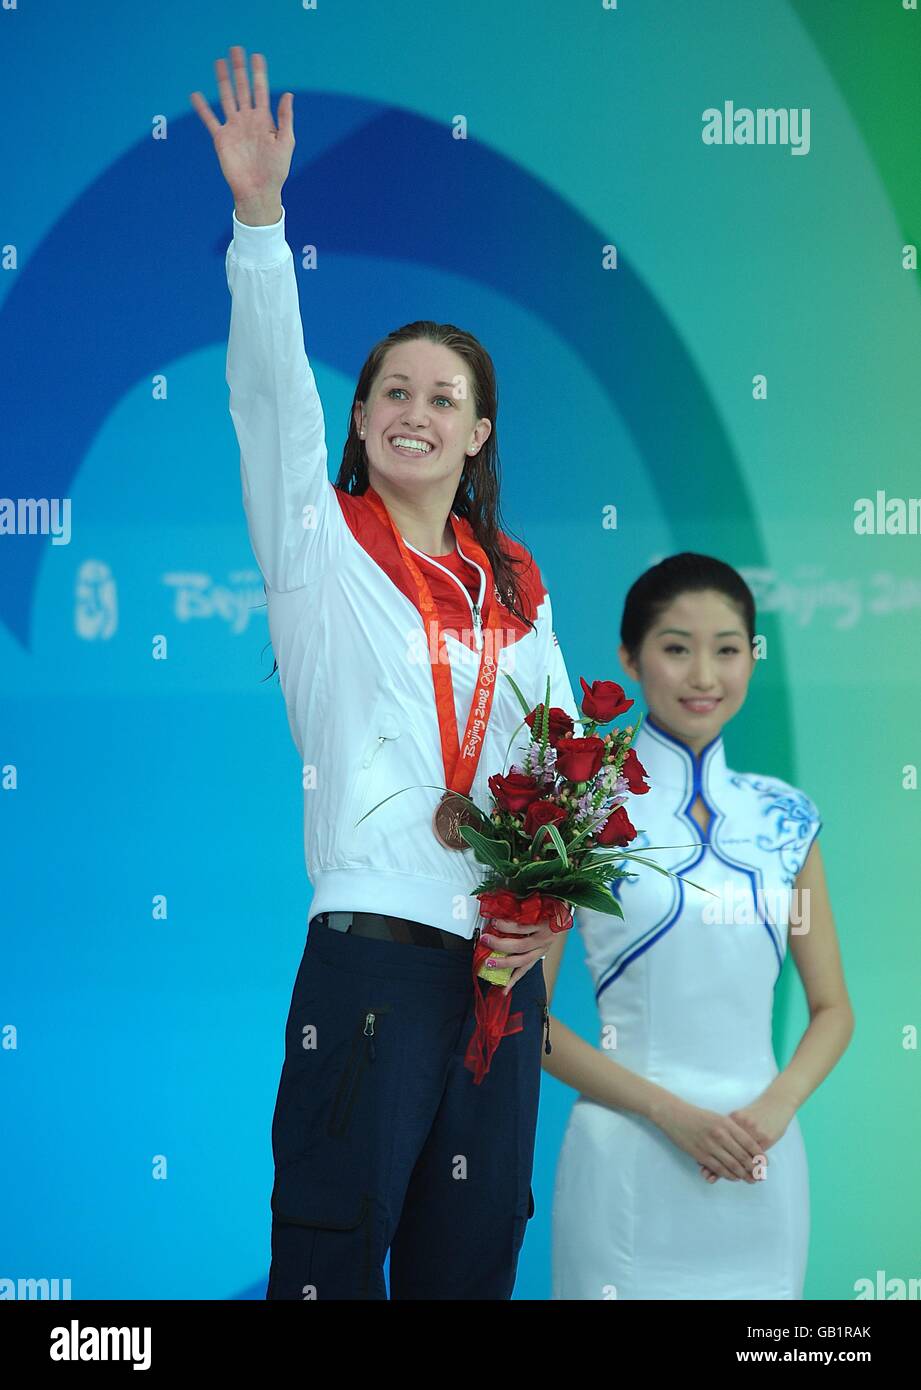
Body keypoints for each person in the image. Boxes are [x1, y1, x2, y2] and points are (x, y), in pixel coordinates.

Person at [190, 46, 580, 1300]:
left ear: (478, 435)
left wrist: (544, 906)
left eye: (444, 396)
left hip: (497, 984)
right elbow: (266, 402)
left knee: (472, 1267)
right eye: (390, 391)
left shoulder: (515, 589)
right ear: (359, 422)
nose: (414, 409)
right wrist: (261, 221)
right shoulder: (316, 545)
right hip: (372, 960)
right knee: (331, 1260)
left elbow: (566, 767)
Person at [542, 553, 854, 1299]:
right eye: (676, 648)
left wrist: (772, 1110)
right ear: (629, 656)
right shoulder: (579, 808)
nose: (703, 676)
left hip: (760, 1162)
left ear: (752, 655)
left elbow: (832, 1010)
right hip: (627, 1161)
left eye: (726, 649)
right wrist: (668, 1113)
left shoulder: (786, 819)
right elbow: (524, 1019)